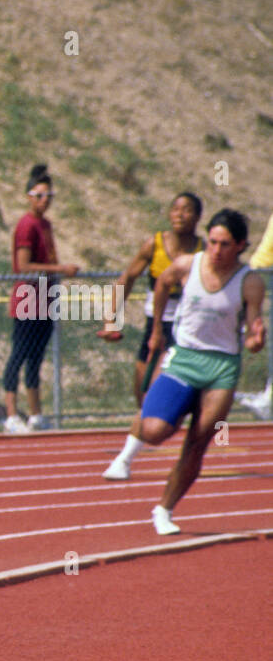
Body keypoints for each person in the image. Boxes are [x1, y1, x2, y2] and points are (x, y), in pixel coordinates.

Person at [115, 209, 264, 535]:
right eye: (212, 241)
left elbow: (252, 332)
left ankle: (164, 510)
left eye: (224, 244)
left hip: (221, 367)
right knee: (154, 431)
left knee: (198, 442)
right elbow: (163, 284)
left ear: (239, 245)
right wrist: (156, 329)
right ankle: (166, 417)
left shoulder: (249, 281)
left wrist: (255, 338)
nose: (216, 250)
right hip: (184, 358)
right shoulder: (187, 265)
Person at [100, 193, 204, 479]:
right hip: (153, 328)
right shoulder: (154, 244)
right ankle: (168, 419)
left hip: (183, 332)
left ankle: (123, 460)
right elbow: (127, 279)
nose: (179, 214)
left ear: (197, 217)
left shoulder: (202, 251)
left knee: (153, 396)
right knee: (142, 395)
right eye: (175, 209)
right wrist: (111, 319)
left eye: (187, 210)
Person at [1, 164, 79, 434]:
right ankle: (10, 415)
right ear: (29, 196)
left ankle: (36, 414)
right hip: (27, 297)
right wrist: (61, 270)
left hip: (44, 298)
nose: (45, 201)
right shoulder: (27, 225)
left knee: (36, 357)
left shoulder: (45, 224)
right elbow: (24, 266)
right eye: (40, 195)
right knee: (19, 354)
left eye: (49, 196)